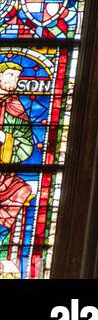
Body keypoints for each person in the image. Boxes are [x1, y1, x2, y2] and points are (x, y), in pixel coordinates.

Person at [0, 65, 34, 264]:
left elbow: (27, 146)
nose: (15, 81)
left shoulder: (16, 109)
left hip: (5, 174)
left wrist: (6, 139)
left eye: (17, 77)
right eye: (10, 75)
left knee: (22, 190)